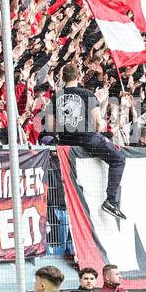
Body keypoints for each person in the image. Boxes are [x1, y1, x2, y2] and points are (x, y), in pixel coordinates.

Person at [52, 63, 126, 220]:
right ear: (79, 76)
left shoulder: (56, 96)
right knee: (119, 158)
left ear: (63, 78)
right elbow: (98, 124)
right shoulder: (87, 94)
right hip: (86, 139)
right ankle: (111, 201)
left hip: (65, 141)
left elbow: (52, 125)